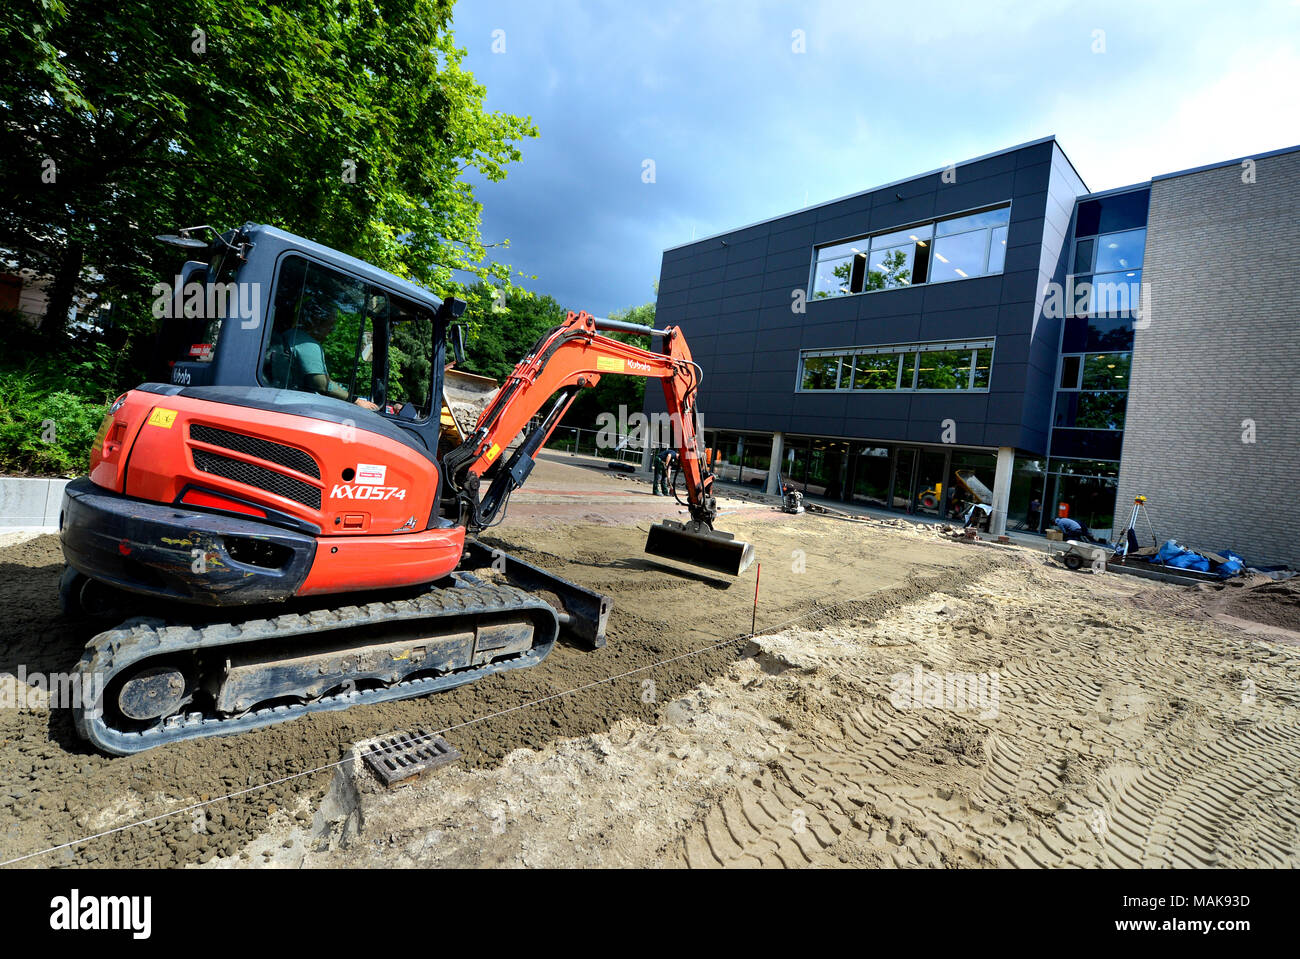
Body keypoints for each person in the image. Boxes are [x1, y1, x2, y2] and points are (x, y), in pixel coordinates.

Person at [266, 301, 379, 411]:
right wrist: (356, 400)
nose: (331, 330)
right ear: (316, 322)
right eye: (330, 325)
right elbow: (321, 383)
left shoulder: (291, 334)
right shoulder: (309, 344)